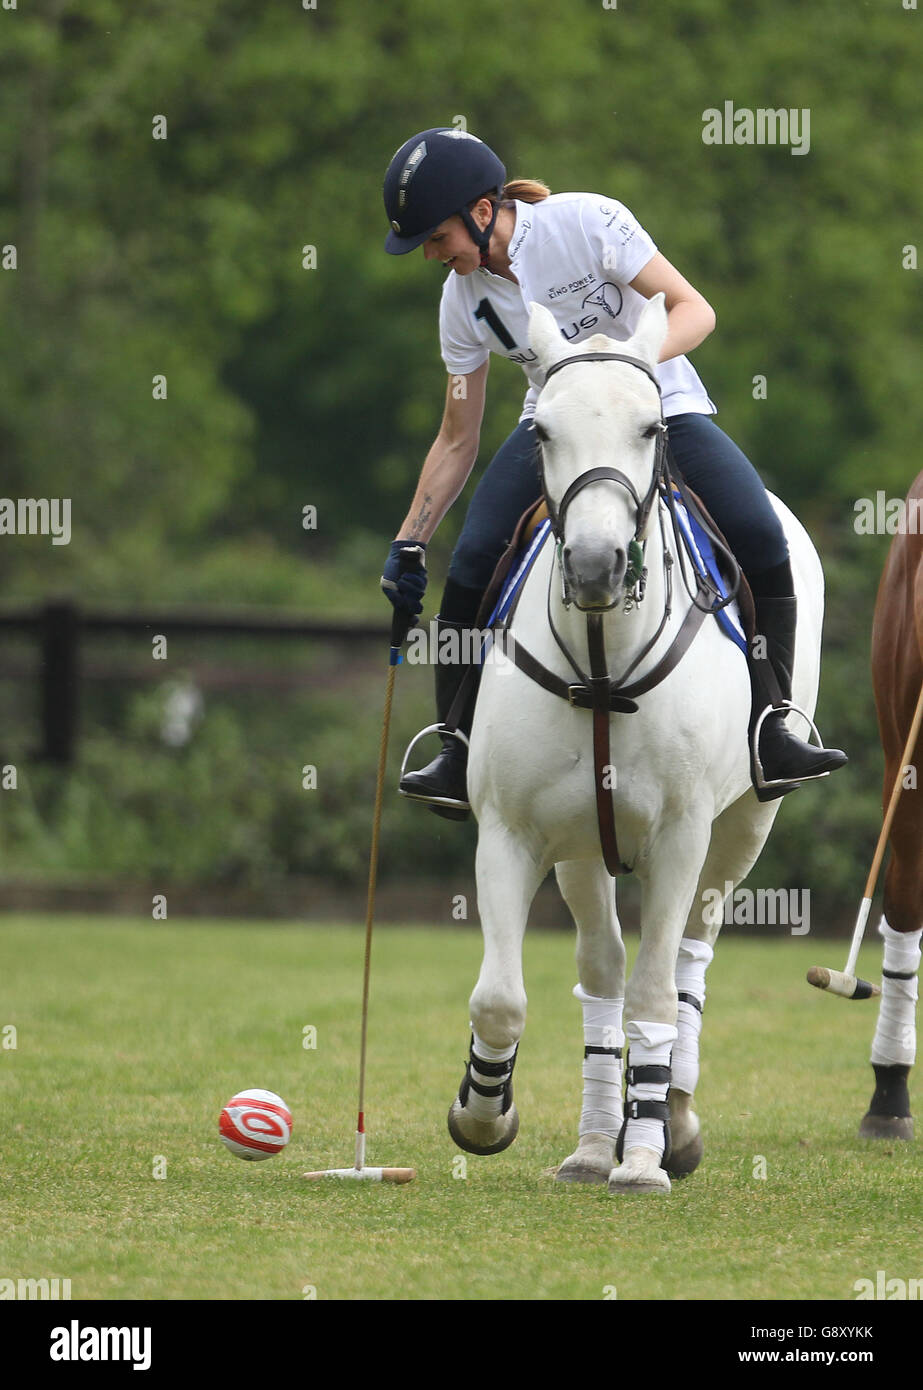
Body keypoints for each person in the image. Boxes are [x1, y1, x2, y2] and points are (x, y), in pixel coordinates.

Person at [380, 127, 846, 818]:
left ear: (482, 211)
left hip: (658, 408)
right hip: (554, 427)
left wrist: (621, 370)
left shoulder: (586, 221)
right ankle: (456, 743)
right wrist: (410, 538)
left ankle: (771, 725)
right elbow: (457, 435)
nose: (430, 252)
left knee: (757, 530)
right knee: (474, 557)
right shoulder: (464, 301)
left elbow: (694, 310)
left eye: (435, 235)